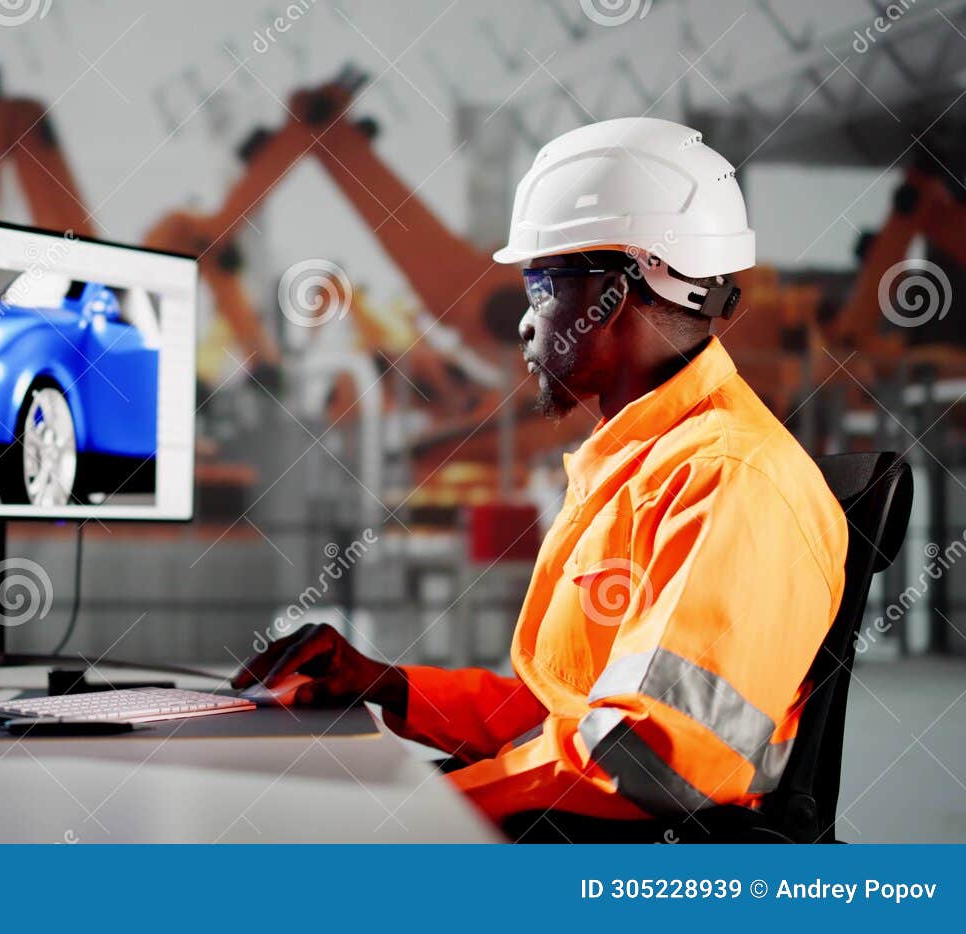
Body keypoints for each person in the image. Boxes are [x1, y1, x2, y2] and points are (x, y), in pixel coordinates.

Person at [233, 118, 848, 831]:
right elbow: (567, 715)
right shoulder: (642, 466)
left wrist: (425, 807)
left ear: (616, 295)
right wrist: (388, 685)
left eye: (540, 286)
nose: (524, 323)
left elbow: (647, 759)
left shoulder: (729, 480)